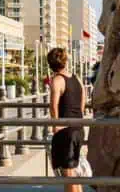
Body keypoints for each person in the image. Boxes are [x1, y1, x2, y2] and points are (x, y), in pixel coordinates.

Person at [47, 48, 85, 192]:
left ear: (50, 64)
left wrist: (55, 125)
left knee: (68, 173)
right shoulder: (77, 79)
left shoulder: (57, 80)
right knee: (73, 172)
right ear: (65, 61)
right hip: (78, 128)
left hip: (65, 131)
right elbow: (82, 103)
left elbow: (53, 105)